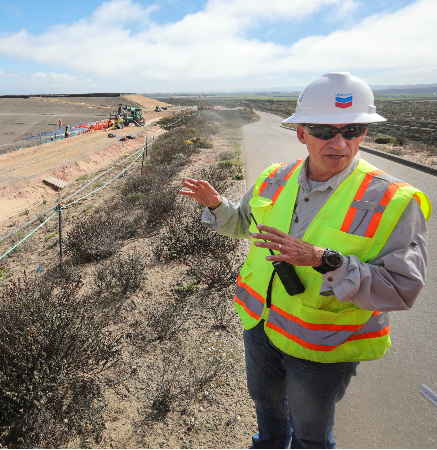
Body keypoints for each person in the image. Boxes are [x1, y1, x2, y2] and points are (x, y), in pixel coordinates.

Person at [179, 72, 431, 449]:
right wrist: (217, 206)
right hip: (261, 326)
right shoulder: (274, 178)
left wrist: (322, 260)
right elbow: (246, 225)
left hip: (321, 345)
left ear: (364, 133)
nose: (339, 142)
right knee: (266, 407)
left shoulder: (394, 200)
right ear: (301, 133)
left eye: (353, 129)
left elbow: (402, 287)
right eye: (324, 130)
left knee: (311, 433)